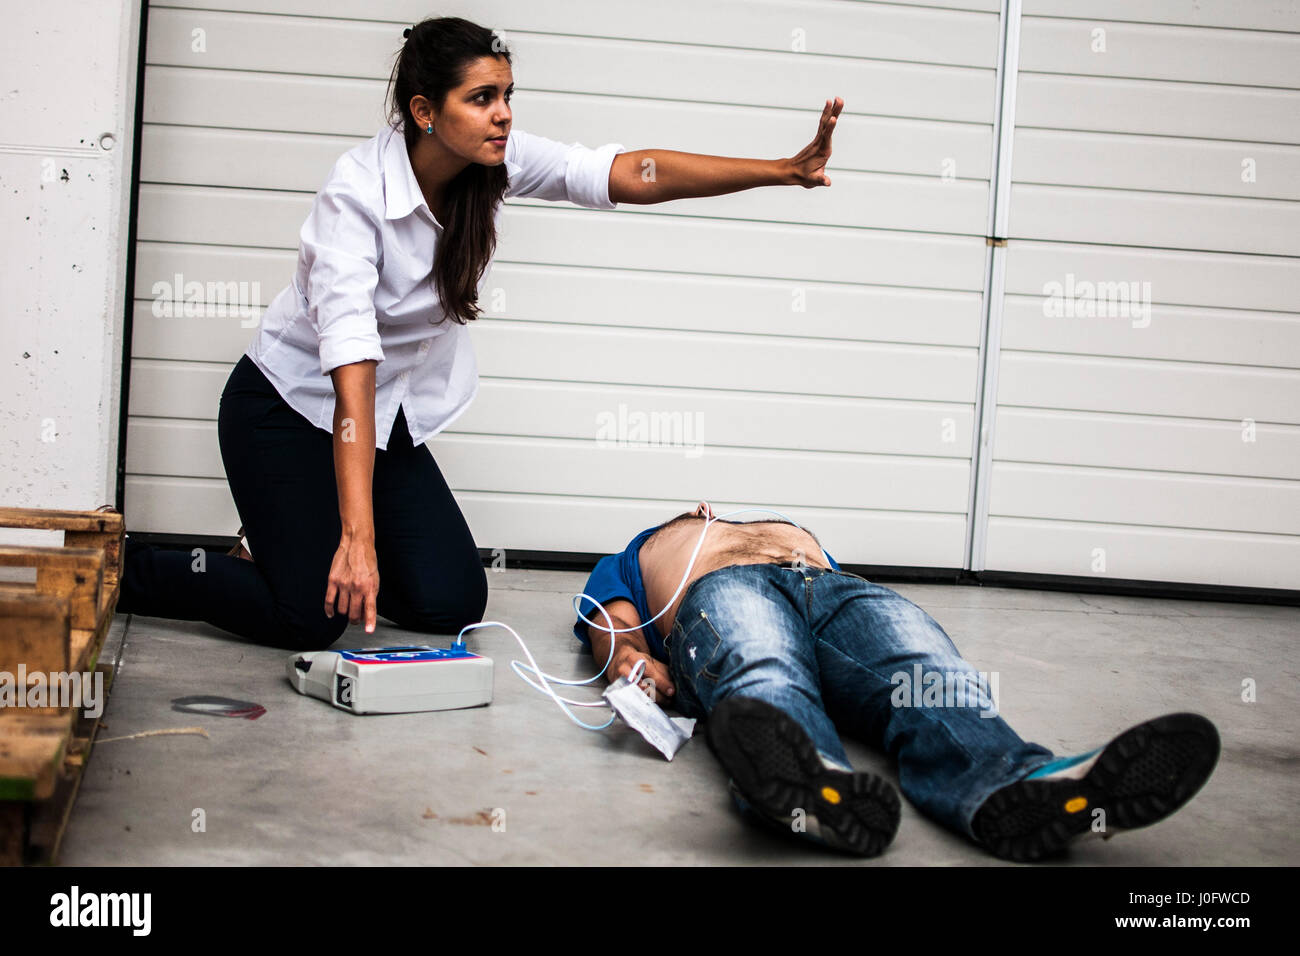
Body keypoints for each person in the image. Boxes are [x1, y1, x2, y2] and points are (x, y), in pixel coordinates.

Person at [116, 16, 846, 649]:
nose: (502, 115)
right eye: (482, 99)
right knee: (307, 617)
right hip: (287, 410)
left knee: (450, 604)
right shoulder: (354, 197)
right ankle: (134, 573)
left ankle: (282, 548)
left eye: (506, 97)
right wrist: (357, 538)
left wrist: (780, 169)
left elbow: (629, 173)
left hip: (383, 421)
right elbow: (352, 378)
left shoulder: (491, 161)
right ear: (425, 111)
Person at [572, 502, 1221, 861]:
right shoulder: (641, 550)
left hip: (836, 592)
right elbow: (611, 622)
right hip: (725, 593)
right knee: (764, 668)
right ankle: (814, 784)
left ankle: (1018, 786)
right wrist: (633, 661)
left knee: (927, 674)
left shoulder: (763, 523)